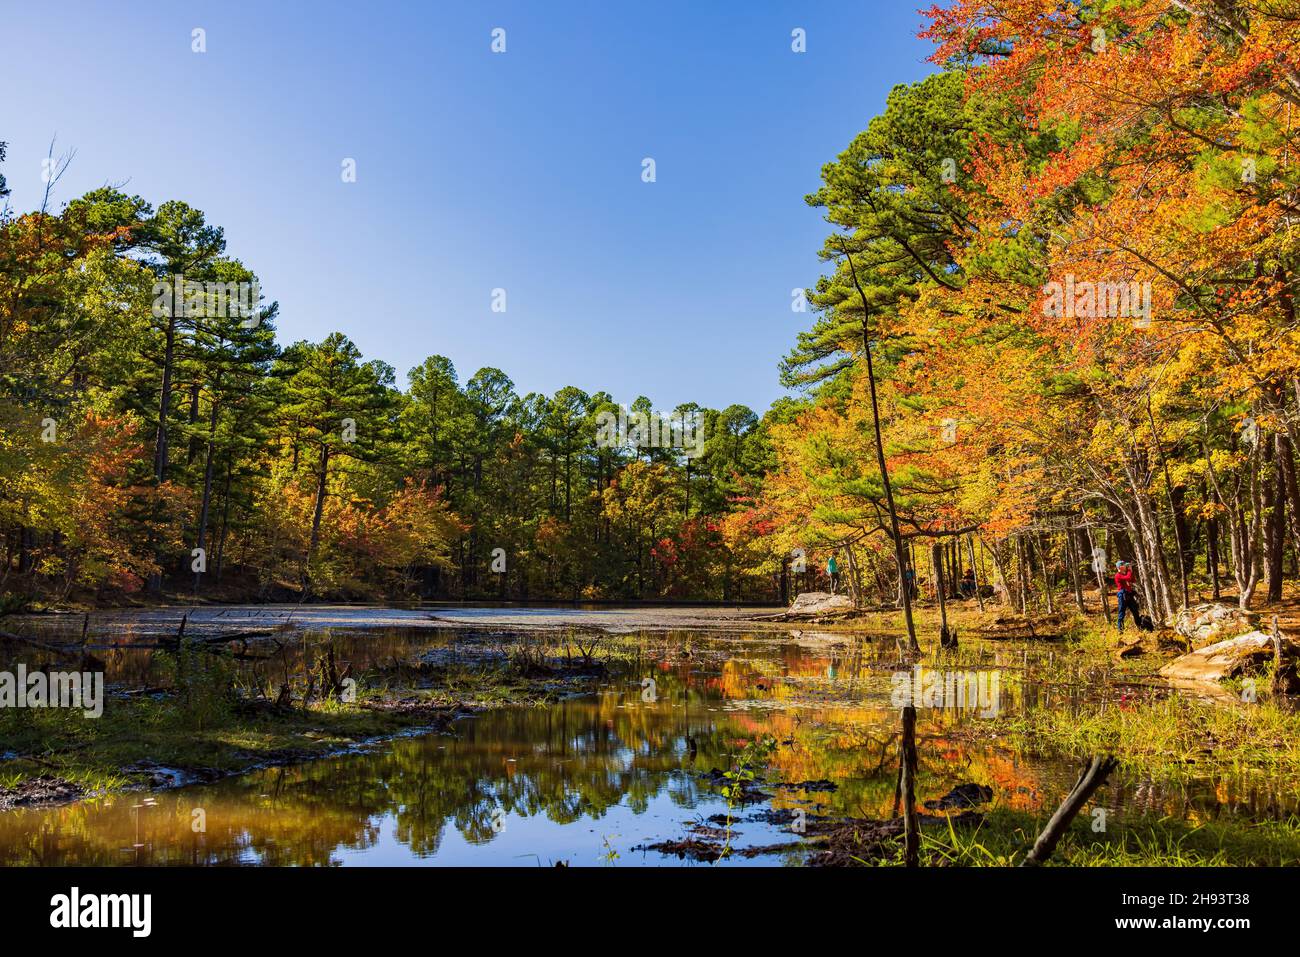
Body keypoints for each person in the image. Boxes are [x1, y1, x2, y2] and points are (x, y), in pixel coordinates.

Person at [1114, 560, 1137, 632]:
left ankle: (1139, 625)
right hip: (1122, 596)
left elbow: (1133, 580)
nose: (1125, 566)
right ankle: (1120, 629)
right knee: (1122, 613)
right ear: (1120, 567)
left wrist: (1130, 571)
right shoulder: (1118, 575)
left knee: (1135, 611)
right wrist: (1130, 570)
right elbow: (1128, 578)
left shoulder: (1126, 574)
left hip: (1129, 595)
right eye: (1124, 565)